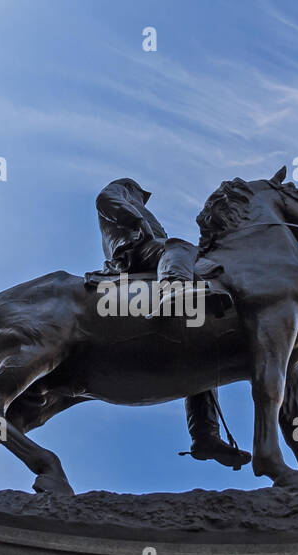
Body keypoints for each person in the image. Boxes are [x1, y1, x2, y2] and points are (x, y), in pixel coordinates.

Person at [95, 178, 250, 469]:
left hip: (147, 252)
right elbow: (109, 202)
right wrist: (139, 220)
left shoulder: (138, 208)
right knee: (179, 246)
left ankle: (205, 435)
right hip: (131, 255)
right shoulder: (117, 193)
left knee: (201, 368)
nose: (143, 199)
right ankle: (174, 290)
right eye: (140, 195)